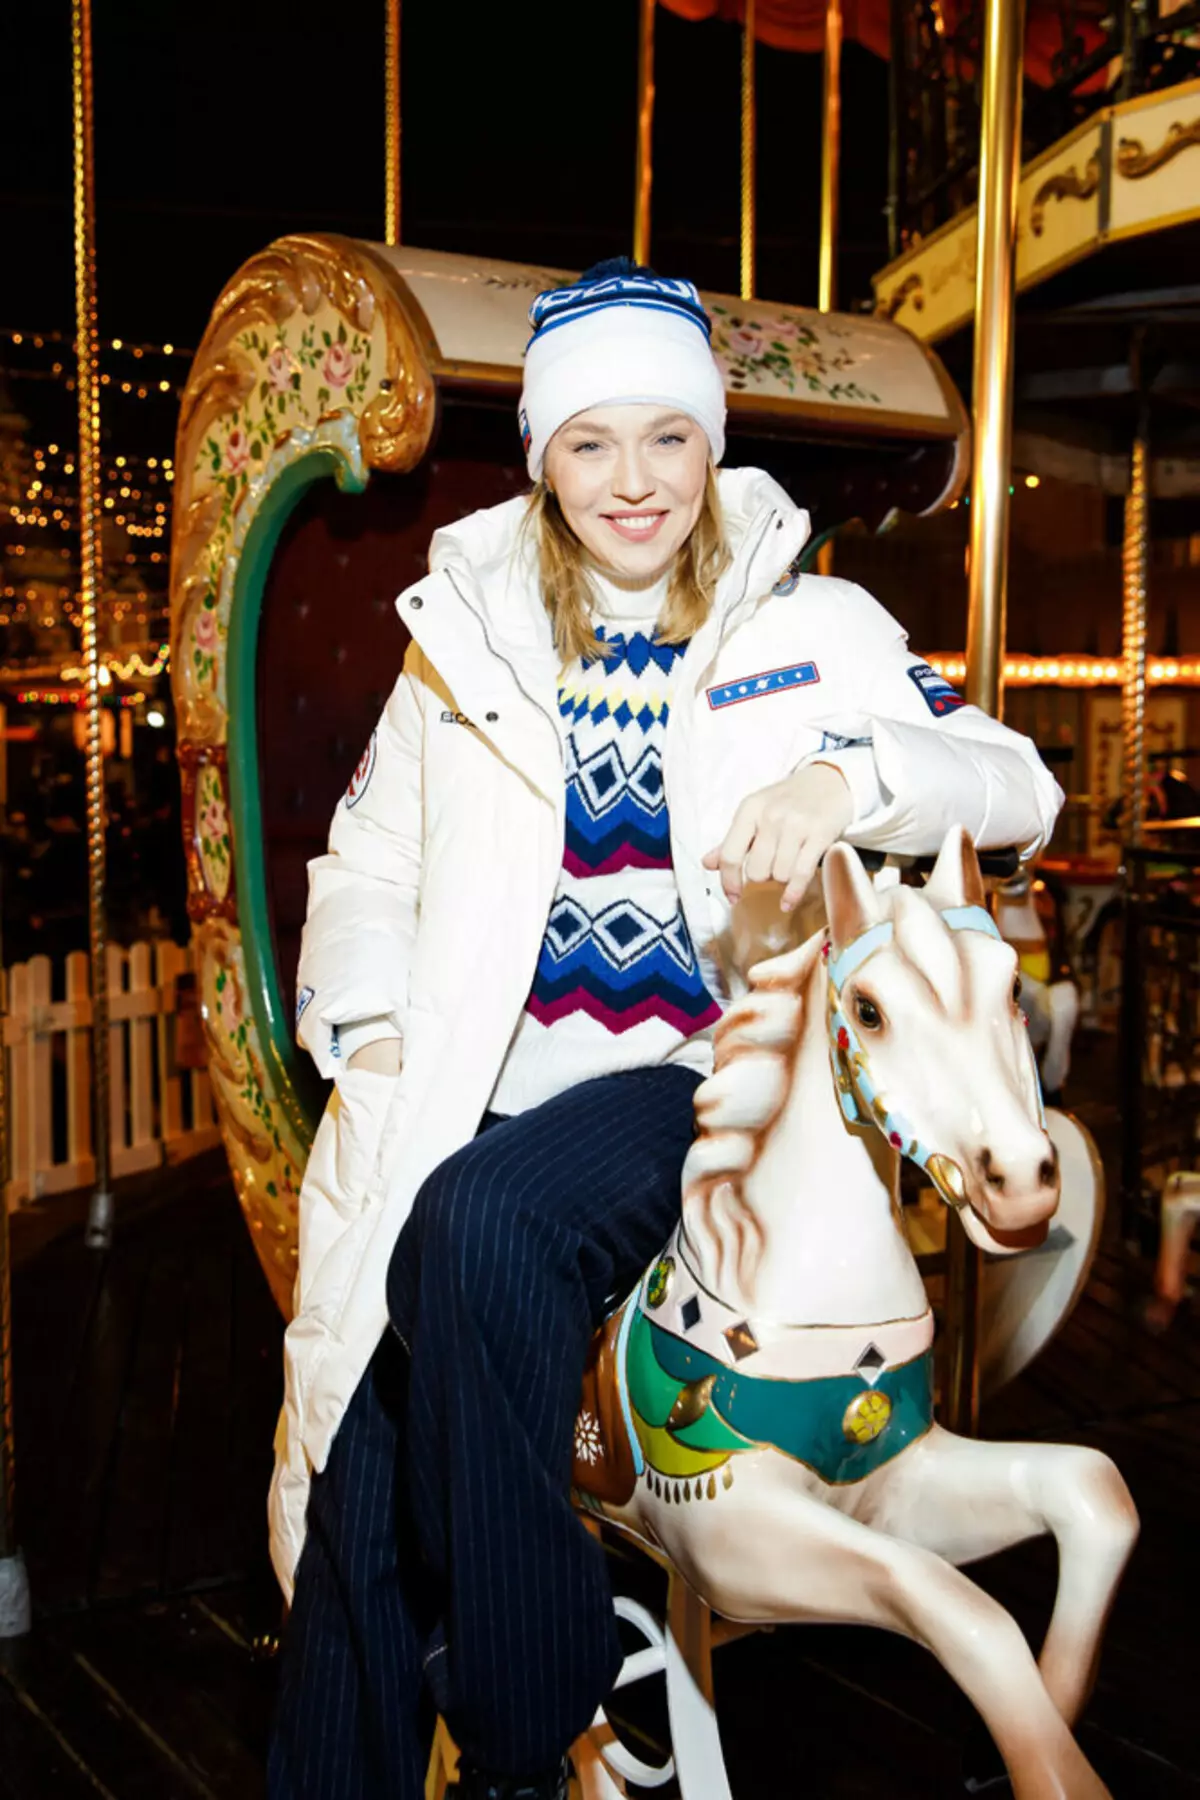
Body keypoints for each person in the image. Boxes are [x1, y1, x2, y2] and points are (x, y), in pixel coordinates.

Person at [267, 260, 1062, 1800]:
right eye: (590, 443)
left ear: (710, 449)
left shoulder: (817, 622)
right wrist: (369, 1031)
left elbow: (1013, 778)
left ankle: (524, 1730)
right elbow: (366, 862)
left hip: (688, 1086)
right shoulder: (465, 644)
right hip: (470, 1090)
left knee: (479, 1222)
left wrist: (850, 780)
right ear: (546, 459)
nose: (631, 481)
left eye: (667, 439)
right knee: (358, 1502)